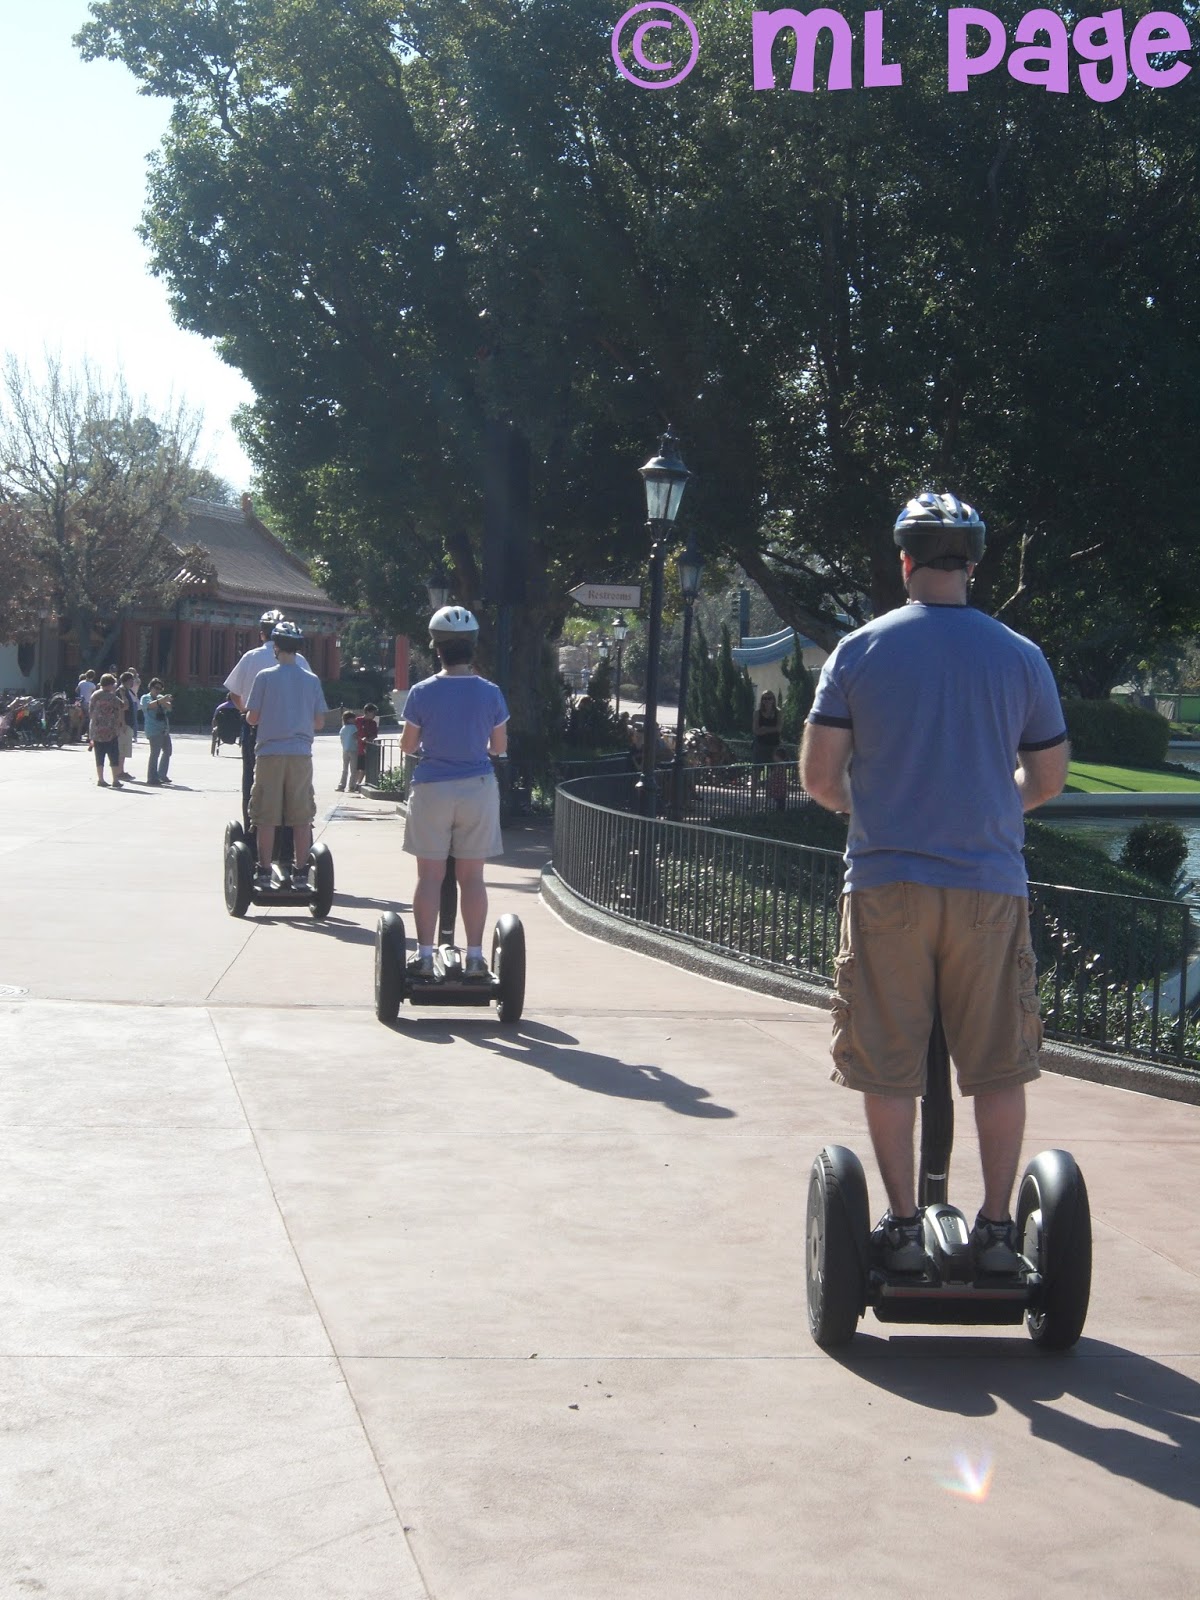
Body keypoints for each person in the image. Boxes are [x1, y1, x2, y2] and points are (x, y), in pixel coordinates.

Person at [800, 492, 1069, 1276]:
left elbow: (820, 778)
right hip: (990, 885)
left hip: (887, 883)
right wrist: (986, 803)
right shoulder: (1019, 655)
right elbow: (1046, 777)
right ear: (974, 564)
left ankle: (906, 1227)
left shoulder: (859, 650)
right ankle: (994, 1232)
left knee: (888, 1062)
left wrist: (880, 806)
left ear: (905, 561)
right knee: (997, 1064)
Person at [400, 606, 509, 979]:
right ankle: (476, 956)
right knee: (472, 877)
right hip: (477, 788)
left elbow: (408, 745)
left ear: (436, 647)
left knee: (429, 876)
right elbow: (498, 747)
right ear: (473, 647)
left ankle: (426, 955)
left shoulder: (421, 692)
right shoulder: (491, 693)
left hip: (432, 787)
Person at [245, 620, 329, 890]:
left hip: (270, 752)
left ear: (276, 647)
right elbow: (319, 722)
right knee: (301, 816)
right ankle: (302, 872)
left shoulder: (265, 677)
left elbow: (253, 717)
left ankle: (264, 870)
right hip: (300, 754)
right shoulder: (311, 680)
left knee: (266, 815)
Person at [224, 609, 312, 827]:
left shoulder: (251, 657)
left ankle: (254, 829)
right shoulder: (300, 661)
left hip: (256, 727)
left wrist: (245, 712)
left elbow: (234, 692)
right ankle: (290, 833)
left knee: (253, 780)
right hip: (294, 731)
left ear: (262, 634)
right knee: (294, 784)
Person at [87, 673, 124, 788]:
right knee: (113, 755)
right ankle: (115, 780)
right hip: (110, 730)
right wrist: (122, 694)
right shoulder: (112, 697)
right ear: (109, 685)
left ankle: (101, 779)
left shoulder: (95, 695)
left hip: (96, 729)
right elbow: (123, 705)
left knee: (99, 755)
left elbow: (90, 711)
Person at [140, 679, 174, 785]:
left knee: (168, 751)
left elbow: (169, 709)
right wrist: (161, 701)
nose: (158, 691)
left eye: (160, 689)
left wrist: (168, 702)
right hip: (153, 729)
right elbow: (149, 706)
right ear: (151, 688)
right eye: (156, 688)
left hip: (164, 729)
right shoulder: (145, 697)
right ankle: (152, 777)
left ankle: (162, 774)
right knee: (155, 753)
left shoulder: (161, 697)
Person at [116, 670, 138, 782]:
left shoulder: (128, 691)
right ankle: (119, 772)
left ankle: (121, 770)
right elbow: (121, 709)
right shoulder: (121, 691)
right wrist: (123, 723)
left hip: (129, 723)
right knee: (121, 748)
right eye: (131, 680)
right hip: (123, 725)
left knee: (125, 750)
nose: (132, 682)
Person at [353, 702, 380, 792]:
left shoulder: (373, 723)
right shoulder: (357, 721)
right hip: (357, 748)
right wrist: (359, 739)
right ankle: (353, 784)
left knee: (364, 768)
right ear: (368, 712)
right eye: (373, 712)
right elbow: (353, 733)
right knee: (356, 767)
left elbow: (374, 735)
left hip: (368, 748)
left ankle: (358, 784)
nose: (375, 715)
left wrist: (368, 739)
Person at [752, 690, 782, 765]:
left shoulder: (778, 712)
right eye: (764, 698)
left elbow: (779, 728)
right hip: (760, 745)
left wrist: (764, 729)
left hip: (774, 745)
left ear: (773, 700)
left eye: (769, 698)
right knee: (757, 768)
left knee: (775, 769)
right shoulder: (757, 713)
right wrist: (772, 729)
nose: (767, 700)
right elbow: (756, 730)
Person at [337, 710, 358, 791]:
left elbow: (341, 739)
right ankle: (351, 786)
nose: (354, 720)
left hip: (345, 750)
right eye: (353, 718)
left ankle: (342, 785)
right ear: (349, 719)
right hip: (353, 749)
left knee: (345, 769)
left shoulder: (343, 728)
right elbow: (356, 737)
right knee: (353, 769)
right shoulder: (354, 728)